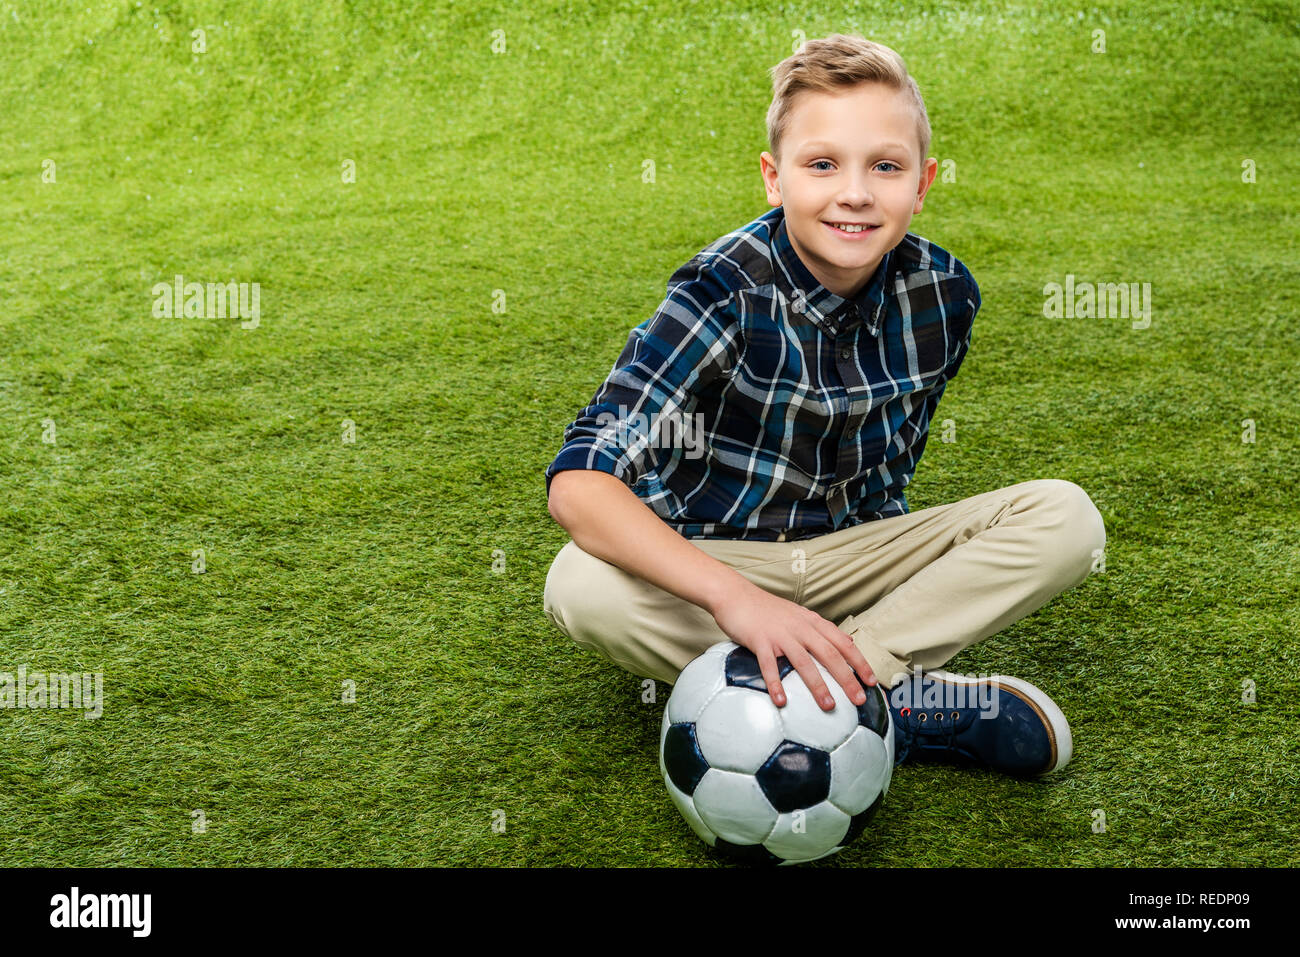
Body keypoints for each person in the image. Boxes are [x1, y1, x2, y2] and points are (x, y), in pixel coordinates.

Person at [543, 34, 1106, 778]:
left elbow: (896, 460)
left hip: (854, 554)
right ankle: (894, 696)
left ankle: (853, 681)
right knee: (578, 584)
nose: (855, 193)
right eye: (822, 164)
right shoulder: (720, 291)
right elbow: (579, 481)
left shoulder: (945, 294)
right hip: (717, 555)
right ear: (775, 180)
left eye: (885, 166)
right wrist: (735, 597)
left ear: (923, 181)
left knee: (1066, 517)